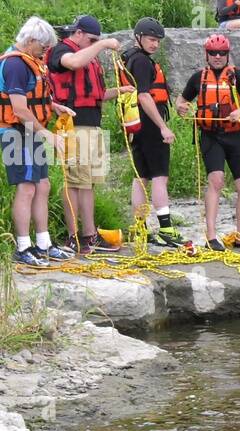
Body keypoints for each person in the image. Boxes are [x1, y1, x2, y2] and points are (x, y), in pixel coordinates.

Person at [46, 15, 134, 254]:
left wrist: (121, 90)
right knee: (74, 183)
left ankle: (89, 235)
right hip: (73, 127)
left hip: (92, 126)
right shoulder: (62, 51)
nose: (94, 43)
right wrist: (103, 44)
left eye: (97, 40)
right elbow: (73, 63)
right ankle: (74, 237)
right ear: (78, 33)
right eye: (92, 39)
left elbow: (97, 94)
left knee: (88, 184)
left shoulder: (88, 55)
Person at [175, 33, 240, 251]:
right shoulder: (198, 78)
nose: (217, 56)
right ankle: (211, 237)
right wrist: (180, 106)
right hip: (210, 136)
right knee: (216, 181)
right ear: (206, 54)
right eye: (213, 53)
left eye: (222, 53)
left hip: (235, 136)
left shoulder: (237, 75)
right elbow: (182, 99)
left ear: (227, 54)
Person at [0, 16, 74, 267]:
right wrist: (47, 134)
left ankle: (44, 243)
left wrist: (54, 106)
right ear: (30, 40)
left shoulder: (31, 61)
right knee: (27, 187)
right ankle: (23, 247)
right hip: (14, 133)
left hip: (31, 131)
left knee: (42, 185)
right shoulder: (15, 65)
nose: (46, 51)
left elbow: (34, 98)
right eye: (43, 46)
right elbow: (19, 110)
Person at [120, 17, 183, 248]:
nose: (155, 44)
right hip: (149, 124)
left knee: (141, 177)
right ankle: (166, 229)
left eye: (157, 40)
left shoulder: (130, 58)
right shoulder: (142, 62)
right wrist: (162, 126)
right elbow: (144, 96)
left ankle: (140, 228)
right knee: (159, 176)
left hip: (135, 124)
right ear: (139, 38)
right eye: (150, 39)